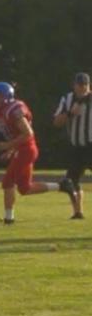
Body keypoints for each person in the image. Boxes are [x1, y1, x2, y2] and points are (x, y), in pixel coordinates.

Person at [0, 82, 78, 224]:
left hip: (27, 150)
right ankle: (62, 186)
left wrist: (7, 145)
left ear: (6, 96)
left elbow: (28, 133)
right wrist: (11, 149)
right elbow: (15, 134)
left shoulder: (13, 109)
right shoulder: (1, 111)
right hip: (22, 149)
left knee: (7, 182)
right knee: (25, 188)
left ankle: (9, 218)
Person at [53, 72, 92, 219]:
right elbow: (56, 122)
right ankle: (77, 212)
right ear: (74, 85)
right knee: (71, 181)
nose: (82, 88)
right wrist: (70, 113)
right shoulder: (67, 99)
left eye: (85, 85)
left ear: (89, 86)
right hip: (76, 147)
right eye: (79, 85)